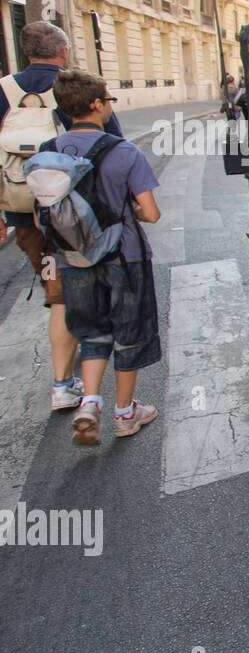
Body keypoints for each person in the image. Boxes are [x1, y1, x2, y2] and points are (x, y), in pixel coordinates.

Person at [0, 21, 123, 411]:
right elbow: (114, 146)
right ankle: (104, 395)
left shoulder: (4, 90)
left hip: (29, 215)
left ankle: (62, 385)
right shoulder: (75, 88)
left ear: (25, 51)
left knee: (60, 298)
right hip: (88, 216)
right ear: (64, 51)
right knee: (97, 294)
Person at [49, 69, 162, 447]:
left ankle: (90, 401)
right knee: (129, 336)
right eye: (108, 99)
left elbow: (40, 216)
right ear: (96, 104)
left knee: (92, 333)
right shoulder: (124, 151)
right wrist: (130, 207)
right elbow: (151, 212)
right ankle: (125, 413)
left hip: (74, 259)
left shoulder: (48, 151)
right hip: (124, 257)